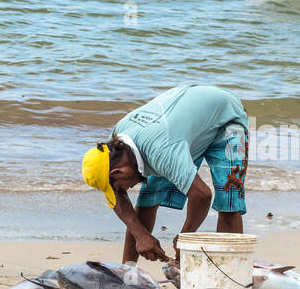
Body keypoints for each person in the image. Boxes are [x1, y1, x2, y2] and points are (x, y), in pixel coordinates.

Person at [81, 84, 249, 263]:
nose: (129, 188)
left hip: (226, 116)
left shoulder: (162, 151)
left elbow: (202, 195)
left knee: (229, 199)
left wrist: (186, 237)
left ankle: (231, 274)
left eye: (122, 188)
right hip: (180, 127)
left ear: (118, 171)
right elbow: (119, 199)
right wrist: (140, 235)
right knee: (147, 198)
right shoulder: (115, 143)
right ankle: (127, 274)